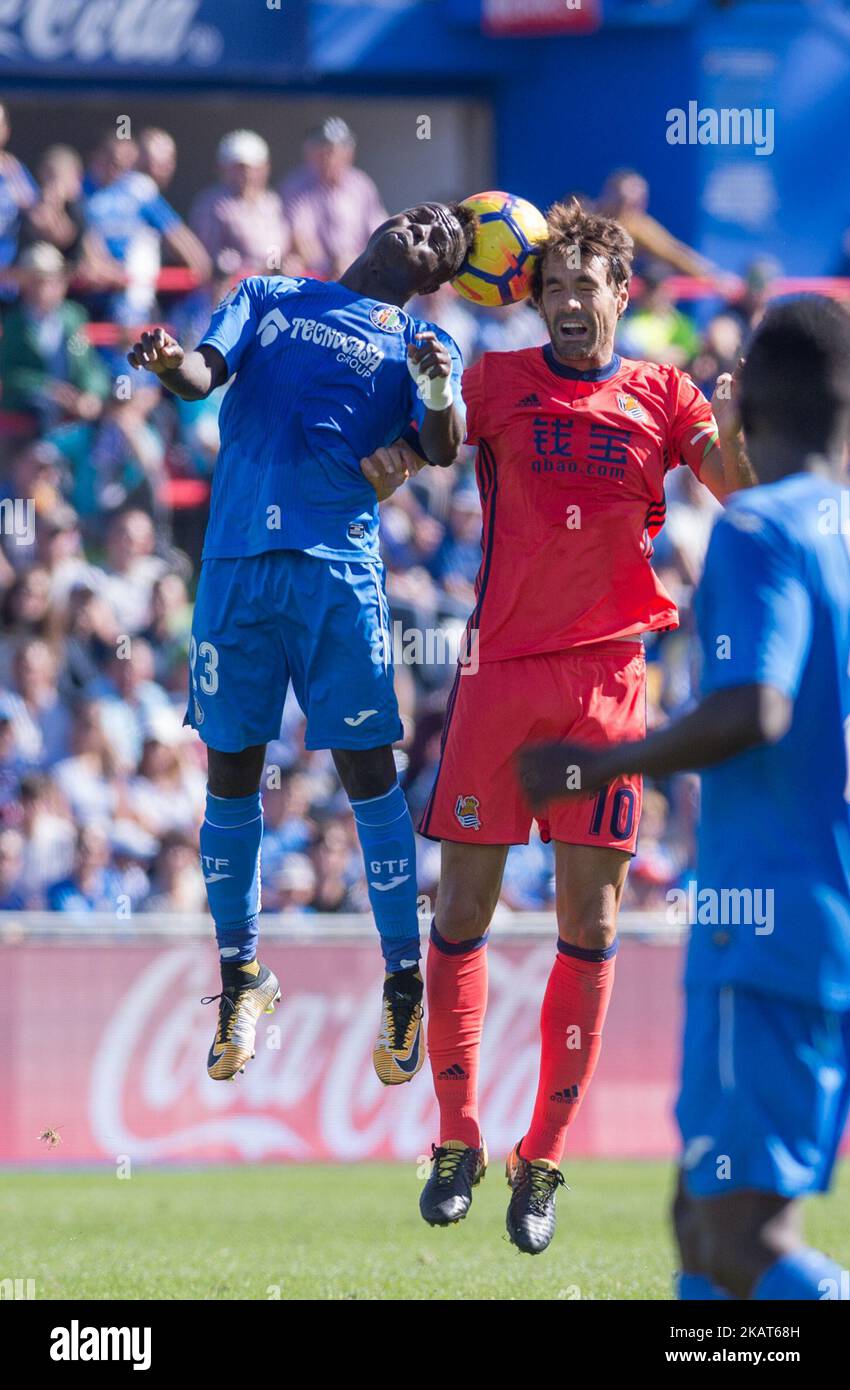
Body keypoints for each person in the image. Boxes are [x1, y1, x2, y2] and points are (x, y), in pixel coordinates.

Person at [408, 197, 752, 1253]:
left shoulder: (662, 391)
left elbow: (739, 493)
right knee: (462, 908)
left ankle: (543, 1154)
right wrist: (427, 393)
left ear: (619, 294)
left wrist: (732, 426)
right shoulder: (497, 380)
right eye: (549, 285)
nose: (565, 301)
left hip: (606, 686)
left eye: (582, 287)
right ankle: (458, 1136)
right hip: (499, 675)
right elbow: (432, 446)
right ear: (532, 291)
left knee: (590, 927)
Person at [519, 295, 850, 1299]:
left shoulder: (758, 529)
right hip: (812, 918)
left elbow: (756, 708)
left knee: (741, 1235)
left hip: (766, 926)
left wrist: (594, 767)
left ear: (742, 403)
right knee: (696, 1229)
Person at [126, 200, 476, 1085]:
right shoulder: (269, 291)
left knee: (368, 773)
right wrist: (170, 365)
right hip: (235, 566)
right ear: (382, 222)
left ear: (436, 276)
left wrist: (437, 392)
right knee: (231, 771)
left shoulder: (421, 341)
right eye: (423, 217)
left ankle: (403, 982)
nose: (425, 229)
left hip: (336, 573)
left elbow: (438, 446)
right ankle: (242, 973)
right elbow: (203, 375)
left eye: (443, 240)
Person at [83, 133, 210, 323]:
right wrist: (105, 269)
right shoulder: (82, 190)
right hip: (92, 293)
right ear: (97, 158)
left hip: (132, 295)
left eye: (126, 165)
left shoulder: (138, 191)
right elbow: (84, 241)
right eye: (113, 161)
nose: (118, 170)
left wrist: (201, 271)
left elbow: (179, 237)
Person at [0, 242, 110, 428]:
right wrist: (49, 389)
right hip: (31, 405)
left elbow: (88, 365)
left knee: (119, 404)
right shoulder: (14, 323)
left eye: (54, 280)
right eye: (40, 281)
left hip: (74, 403)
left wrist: (91, 394)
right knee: (46, 408)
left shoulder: (73, 317)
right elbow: (10, 373)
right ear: (27, 285)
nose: (47, 287)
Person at [279, 117, 387, 279]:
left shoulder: (361, 184)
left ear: (349, 153)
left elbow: (380, 233)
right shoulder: (295, 185)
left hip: (358, 268)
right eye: (321, 151)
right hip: (316, 273)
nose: (328, 158)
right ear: (310, 153)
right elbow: (300, 239)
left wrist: (358, 262)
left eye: (333, 151)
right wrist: (329, 268)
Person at [190, 130, 291, 275]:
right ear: (223, 168)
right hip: (231, 290)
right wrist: (228, 265)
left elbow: (275, 247)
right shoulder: (212, 204)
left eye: (253, 168)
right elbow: (206, 255)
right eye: (239, 168)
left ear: (265, 168)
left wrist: (277, 267)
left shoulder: (273, 203)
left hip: (270, 288)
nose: (247, 174)